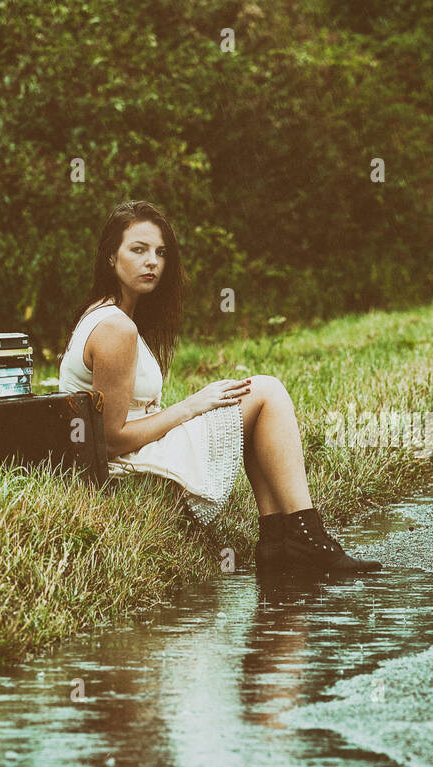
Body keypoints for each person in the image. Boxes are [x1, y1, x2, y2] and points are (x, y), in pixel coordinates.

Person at [58, 200, 380, 574]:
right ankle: (304, 536)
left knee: (258, 395)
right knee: (266, 392)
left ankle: (280, 539)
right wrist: (191, 406)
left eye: (161, 252)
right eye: (138, 249)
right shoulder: (115, 327)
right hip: (127, 467)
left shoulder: (114, 315)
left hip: (135, 453)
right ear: (110, 258)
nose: (153, 262)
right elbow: (111, 439)